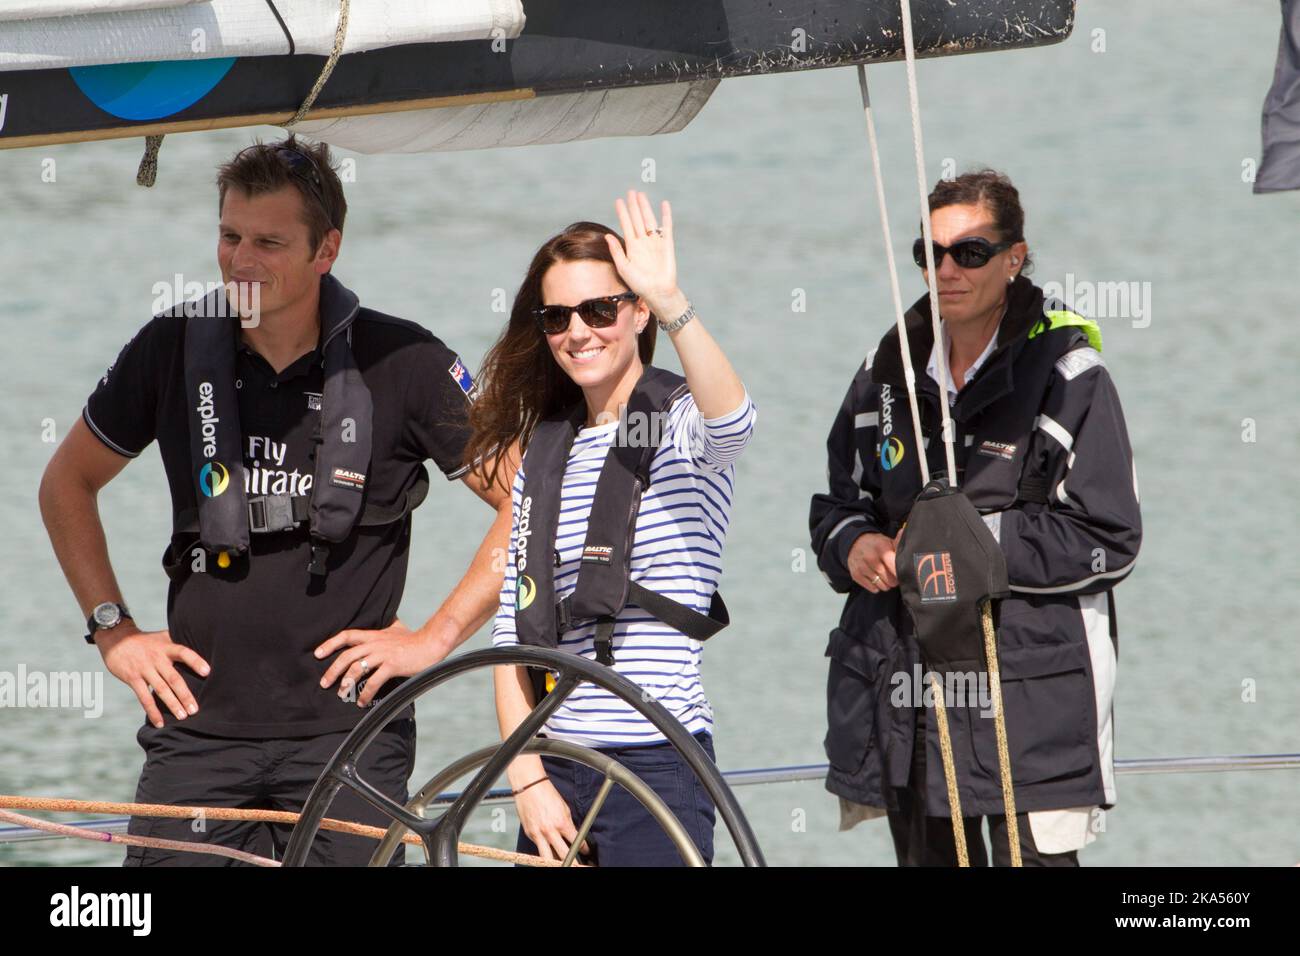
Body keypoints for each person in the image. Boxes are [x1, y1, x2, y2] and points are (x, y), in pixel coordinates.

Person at [38, 136, 514, 865]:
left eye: (268, 242)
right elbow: (66, 484)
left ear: (327, 250)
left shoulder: (406, 361)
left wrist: (437, 638)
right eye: (229, 236)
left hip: (350, 739)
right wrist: (115, 631)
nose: (240, 260)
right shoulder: (170, 346)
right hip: (196, 731)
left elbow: (534, 501)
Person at [809, 169, 1141, 866]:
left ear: (1015, 257)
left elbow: (1108, 538)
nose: (947, 270)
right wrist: (856, 544)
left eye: (970, 252)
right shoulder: (885, 372)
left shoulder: (1070, 376)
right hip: (910, 708)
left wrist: (971, 544)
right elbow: (837, 502)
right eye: (929, 254)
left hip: (1030, 712)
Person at [465, 191, 756, 865]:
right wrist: (527, 778)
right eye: (557, 316)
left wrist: (672, 298)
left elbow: (734, 425)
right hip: (552, 769)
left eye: (600, 309)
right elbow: (512, 636)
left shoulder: (679, 423)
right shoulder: (547, 448)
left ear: (636, 313)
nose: (579, 331)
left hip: (657, 764)